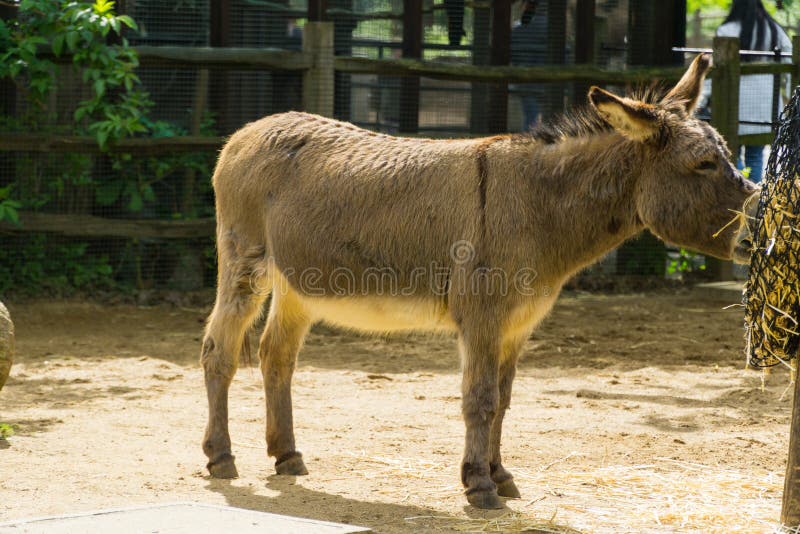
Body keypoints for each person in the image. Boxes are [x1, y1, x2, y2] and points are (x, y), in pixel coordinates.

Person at [716, 0, 792, 182]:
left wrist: (704, 100)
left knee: (730, 153)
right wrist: (789, 93)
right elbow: (789, 57)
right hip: (765, 101)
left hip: (734, 102)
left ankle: (741, 190)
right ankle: (753, 198)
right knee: (756, 155)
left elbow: (717, 67)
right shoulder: (773, 28)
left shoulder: (727, 30)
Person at [511, 0, 547, 129]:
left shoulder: (517, 29)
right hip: (549, 81)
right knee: (550, 118)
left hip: (525, 81)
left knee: (530, 118)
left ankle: (528, 146)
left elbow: (511, 55)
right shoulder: (555, 28)